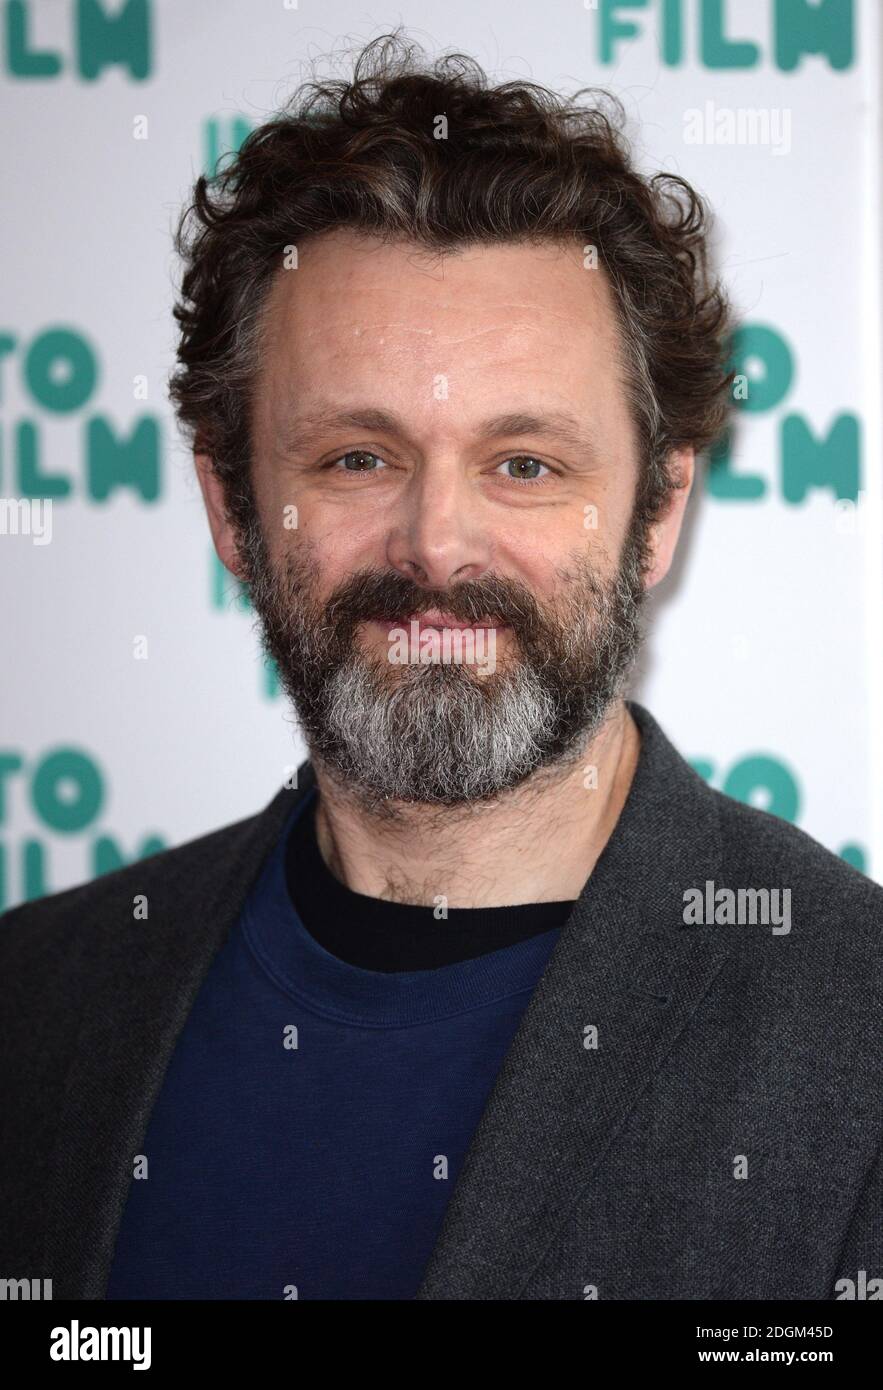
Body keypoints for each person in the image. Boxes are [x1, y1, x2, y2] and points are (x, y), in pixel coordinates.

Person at [2, 35, 880, 1302]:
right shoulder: (38, 1000)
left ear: (657, 513)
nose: (436, 547)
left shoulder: (856, 1029)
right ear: (233, 510)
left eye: (525, 463)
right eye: (357, 457)